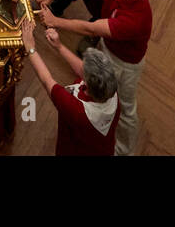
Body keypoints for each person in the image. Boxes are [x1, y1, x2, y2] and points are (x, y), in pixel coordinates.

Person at [36, 0, 152, 156]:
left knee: (125, 110)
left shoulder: (136, 16)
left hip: (125, 64)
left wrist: (55, 22)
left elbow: (91, 29)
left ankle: (124, 151)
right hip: (108, 47)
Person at [21, 17, 119, 156]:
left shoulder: (77, 110)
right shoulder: (111, 92)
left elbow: (47, 80)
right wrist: (59, 46)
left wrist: (30, 48)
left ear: (88, 84)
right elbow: (83, 70)